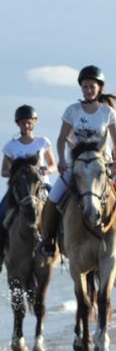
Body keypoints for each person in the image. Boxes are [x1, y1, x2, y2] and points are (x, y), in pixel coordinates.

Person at [38, 65, 116, 255]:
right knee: (53, 198)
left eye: (92, 86)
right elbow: (61, 138)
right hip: (76, 165)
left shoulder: (107, 112)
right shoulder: (72, 111)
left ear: (99, 88)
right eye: (85, 87)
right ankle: (47, 239)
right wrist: (62, 160)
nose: (88, 90)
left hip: (100, 166)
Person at [0, 105, 56, 274]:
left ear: (34, 122)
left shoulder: (42, 142)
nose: (26, 126)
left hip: (41, 185)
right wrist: (17, 172)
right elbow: (3, 171)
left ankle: (64, 247)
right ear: (18, 124)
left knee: (62, 208)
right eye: (23, 123)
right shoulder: (11, 147)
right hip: (19, 190)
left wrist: (45, 170)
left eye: (29, 122)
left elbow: (53, 165)